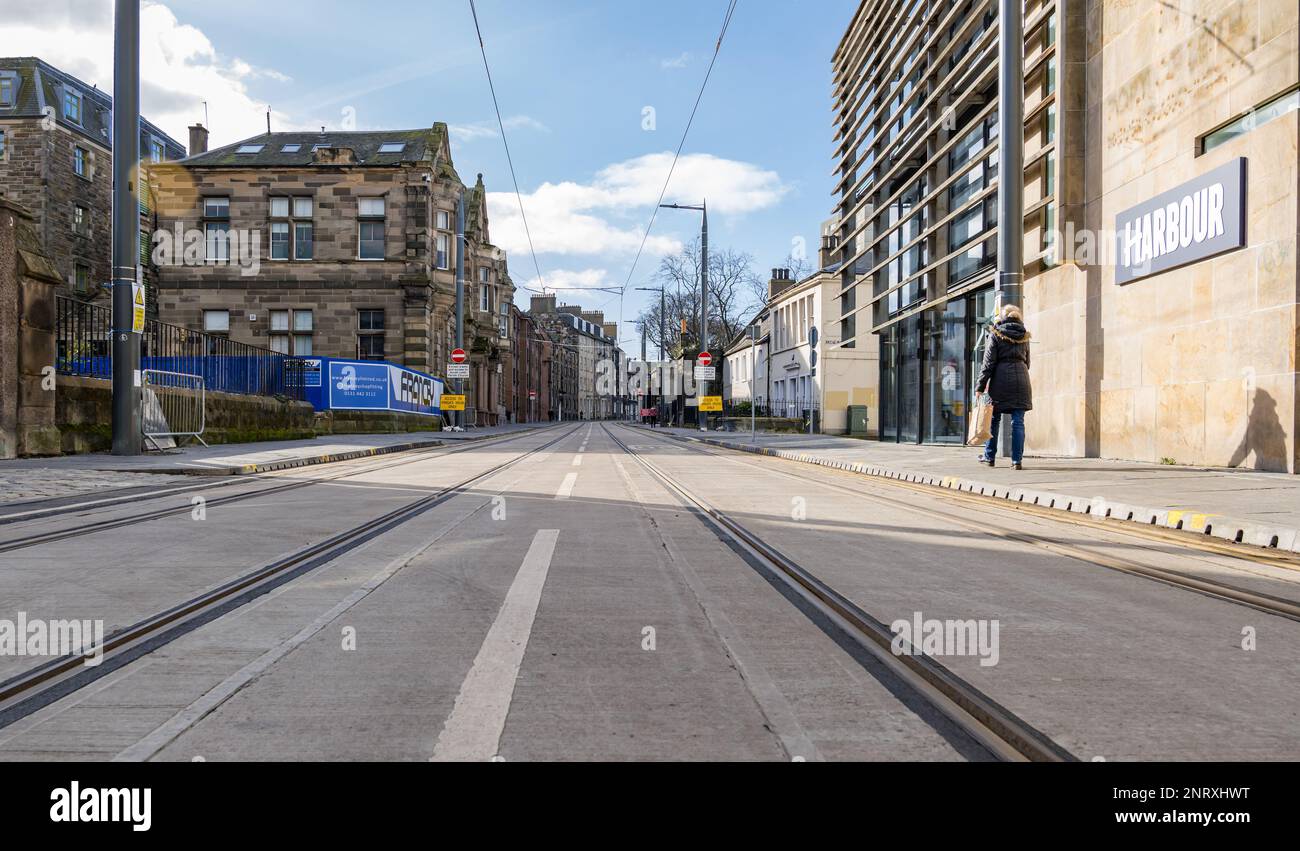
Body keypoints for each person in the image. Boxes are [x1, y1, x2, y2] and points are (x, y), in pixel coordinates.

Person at [975, 304, 1032, 470]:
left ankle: (989, 457)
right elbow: (1027, 362)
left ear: (1002, 317)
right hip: (1021, 380)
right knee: (1018, 422)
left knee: (993, 419)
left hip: (1000, 380)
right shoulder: (1025, 335)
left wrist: (980, 386)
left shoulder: (996, 334)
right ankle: (1016, 461)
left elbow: (988, 364)